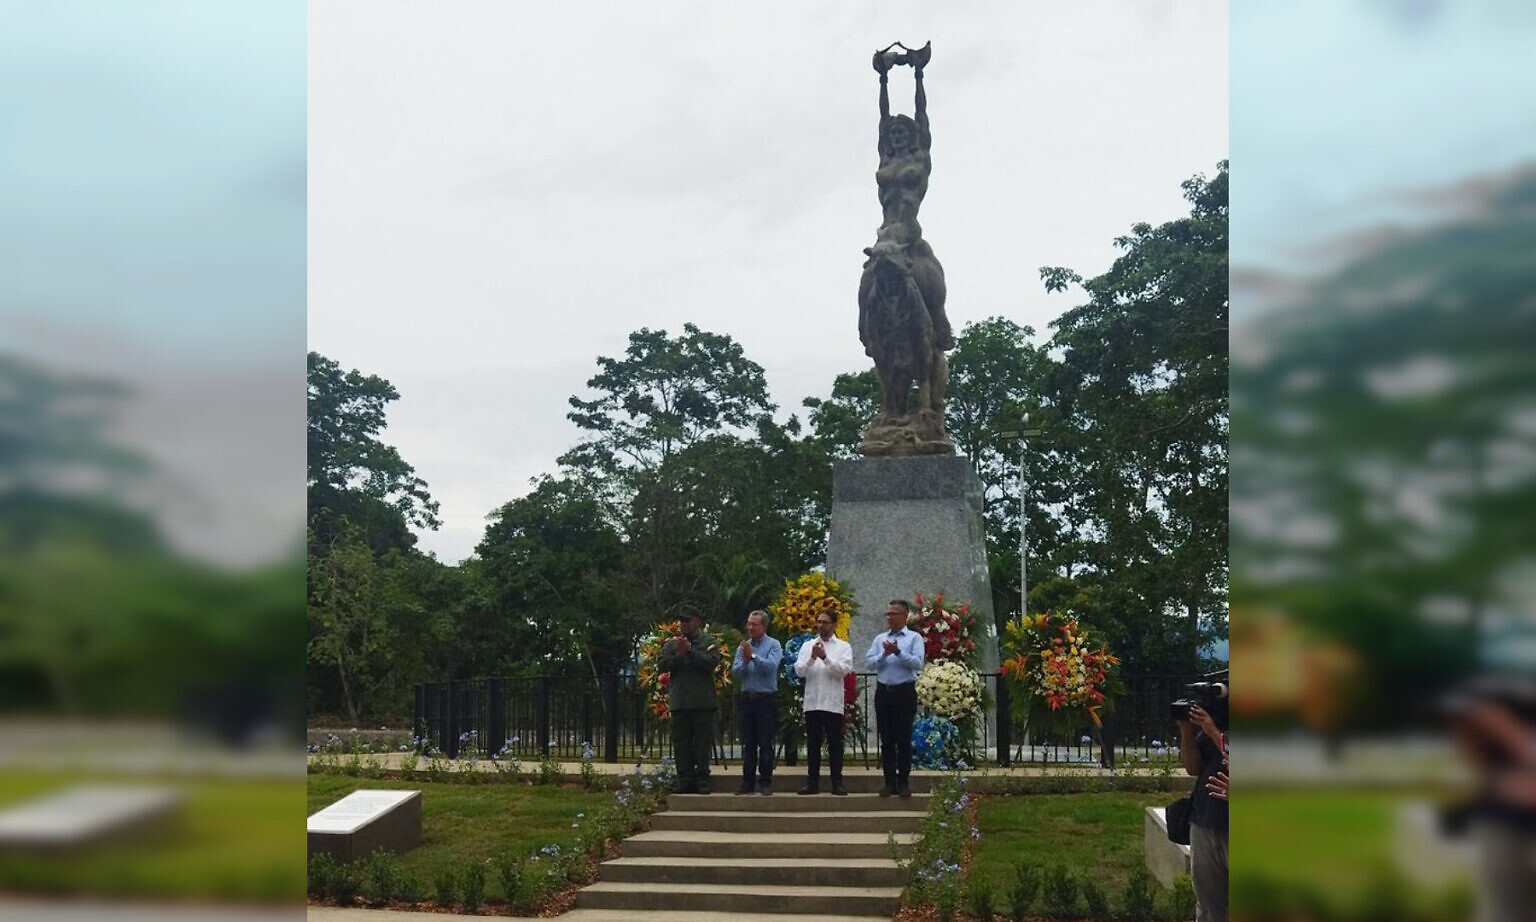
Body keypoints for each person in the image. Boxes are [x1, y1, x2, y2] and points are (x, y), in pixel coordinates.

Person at [657, 607, 721, 794]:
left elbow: (710, 663)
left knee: (702, 743)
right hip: (680, 702)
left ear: (697, 622)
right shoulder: (671, 645)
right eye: (682, 621)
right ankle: (684, 779)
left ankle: (702, 779)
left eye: (688, 621)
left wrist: (691, 652)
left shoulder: (709, 642)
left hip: (702, 703)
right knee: (681, 743)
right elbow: (662, 665)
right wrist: (680, 654)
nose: (684, 625)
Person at [865, 599, 924, 797]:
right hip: (884, 691)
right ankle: (889, 782)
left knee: (903, 739)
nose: (889, 617)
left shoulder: (914, 638)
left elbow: (917, 663)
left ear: (905, 616)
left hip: (904, 692)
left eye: (894, 614)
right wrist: (884, 654)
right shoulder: (880, 638)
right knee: (887, 739)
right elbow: (870, 663)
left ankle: (904, 782)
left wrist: (898, 652)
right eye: (888, 614)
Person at [795, 607, 854, 796]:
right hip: (813, 702)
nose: (821, 625)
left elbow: (843, 671)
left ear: (833, 625)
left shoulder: (843, 647)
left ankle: (837, 782)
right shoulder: (808, 645)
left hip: (832, 703)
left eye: (825, 622)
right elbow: (799, 671)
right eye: (819, 622)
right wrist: (813, 657)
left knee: (835, 744)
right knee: (813, 744)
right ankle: (812, 782)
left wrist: (825, 658)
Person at [1179, 703, 1228, 922]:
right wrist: (1186, 730)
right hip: (1205, 822)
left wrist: (1213, 731)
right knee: (1208, 904)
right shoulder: (1219, 722)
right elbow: (1193, 767)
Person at [731, 609, 783, 795]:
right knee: (749, 743)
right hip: (747, 699)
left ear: (764, 626)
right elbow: (736, 671)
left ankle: (765, 781)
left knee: (765, 742)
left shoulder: (774, 645)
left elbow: (771, 667)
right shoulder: (743, 646)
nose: (750, 627)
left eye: (755, 624)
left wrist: (752, 656)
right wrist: (745, 660)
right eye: (749, 623)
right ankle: (747, 782)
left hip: (765, 699)